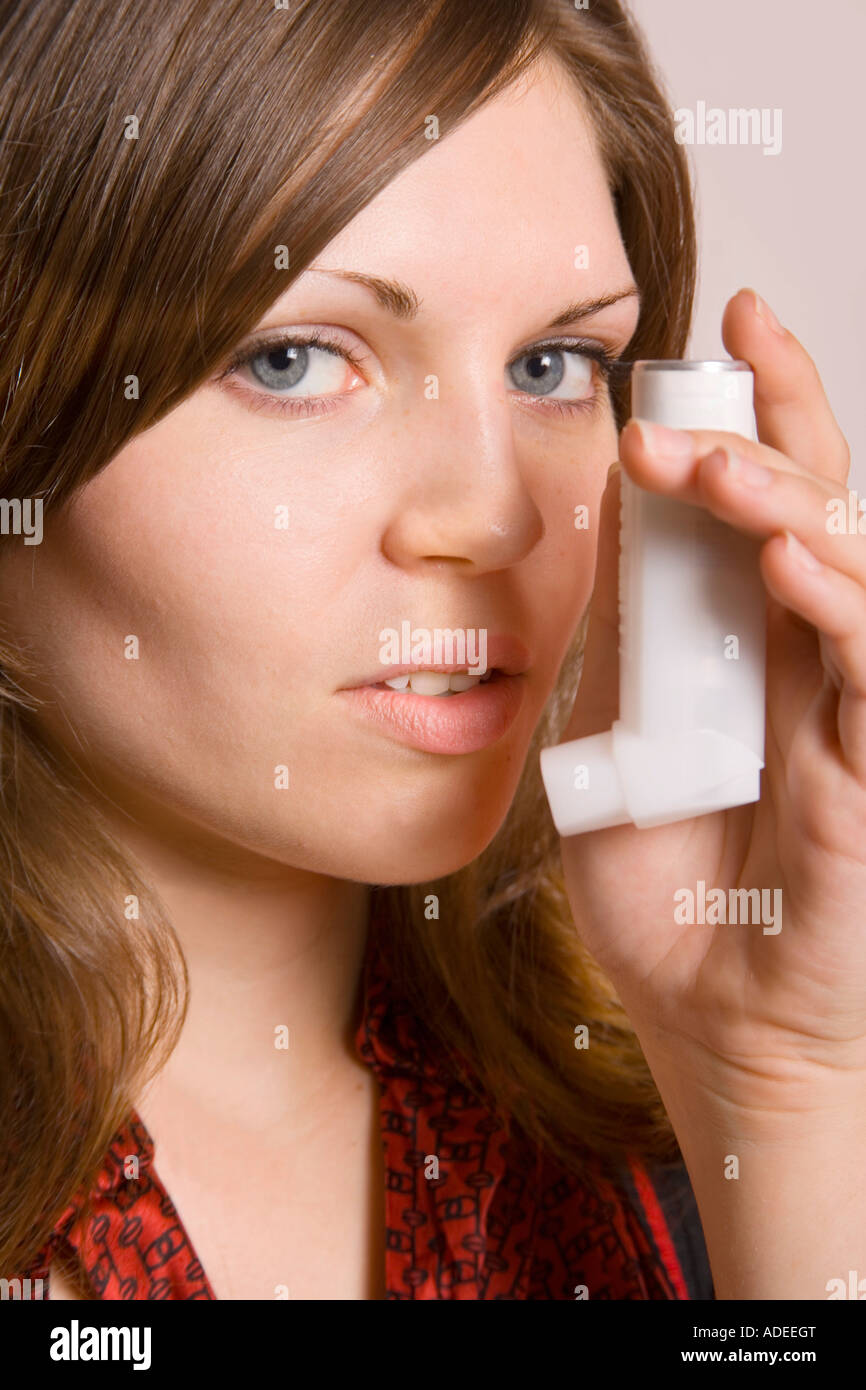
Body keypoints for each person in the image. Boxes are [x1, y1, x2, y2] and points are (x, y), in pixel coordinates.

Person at [1, 0, 859, 1303]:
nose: (496, 513)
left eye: (552, 363)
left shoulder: (674, 1118)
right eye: (292, 359)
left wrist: (772, 1089)